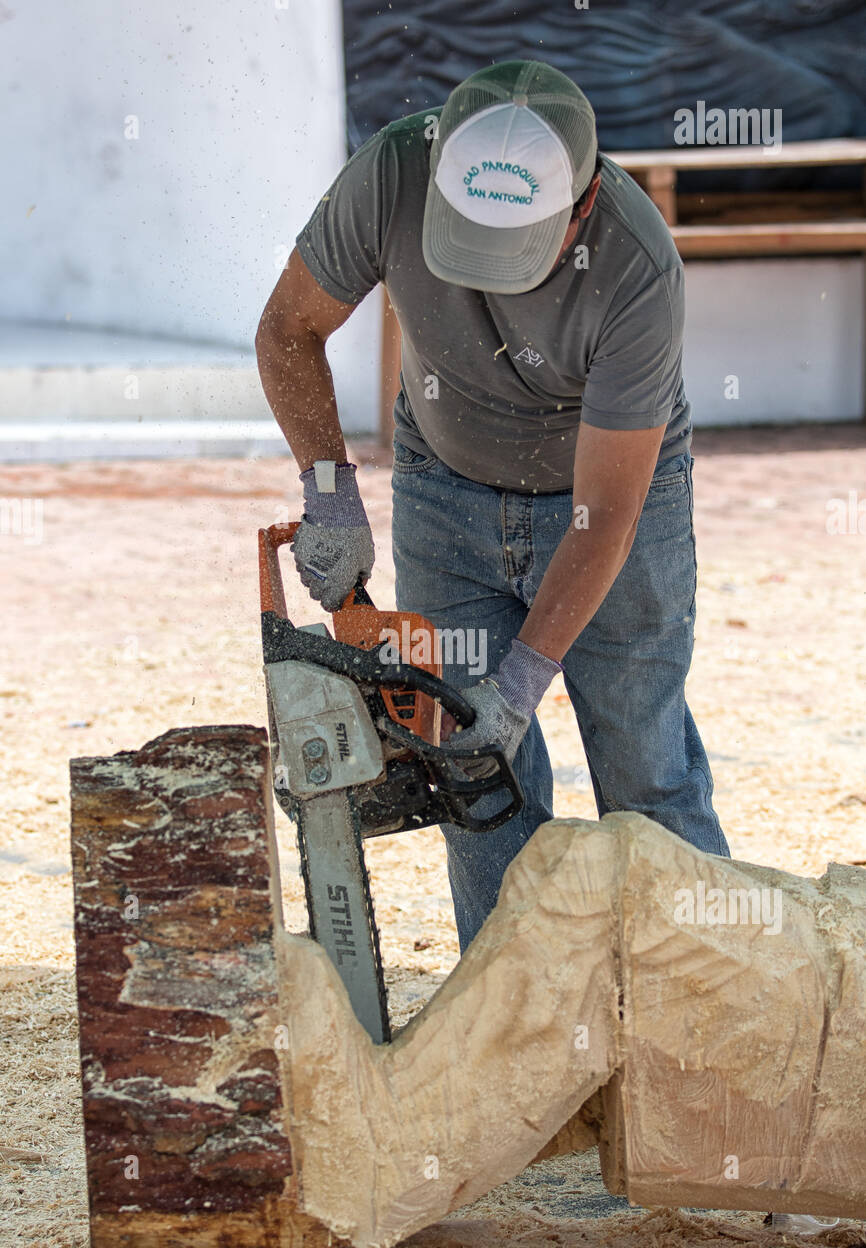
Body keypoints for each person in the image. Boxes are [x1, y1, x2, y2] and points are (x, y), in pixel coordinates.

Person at [256, 58, 729, 952]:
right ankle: (516, 1038)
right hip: (445, 480)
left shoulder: (636, 265)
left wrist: (523, 680)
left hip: (603, 505)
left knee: (644, 766)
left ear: (579, 208)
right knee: (478, 780)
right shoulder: (391, 172)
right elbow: (288, 329)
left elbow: (606, 515)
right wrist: (329, 491)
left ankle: (698, 1015)